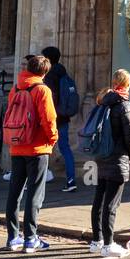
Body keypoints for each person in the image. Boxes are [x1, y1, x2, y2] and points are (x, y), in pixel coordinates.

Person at [4, 54, 58, 252]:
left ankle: (12, 237)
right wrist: (52, 139)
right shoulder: (42, 90)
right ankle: (30, 238)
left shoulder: (16, 87)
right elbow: (49, 119)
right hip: (37, 148)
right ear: (44, 72)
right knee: (35, 193)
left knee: (15, 191)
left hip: (17, 146)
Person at [90, 69, 130, 258]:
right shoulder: (124, 105)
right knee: (112, 203)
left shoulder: (104, 102)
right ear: (127, 84)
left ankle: (96, 240)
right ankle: (108, 244)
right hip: (118, 158)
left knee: (99, 199)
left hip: (102, 156)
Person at [43, 45, 77, 193]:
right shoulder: (64, 74)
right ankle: (71, 180)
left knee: (41, 149)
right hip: (63, 118)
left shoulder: (50, 76)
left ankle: (38, 178)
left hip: (51, 117)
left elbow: (48, 98)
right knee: (65, 148)